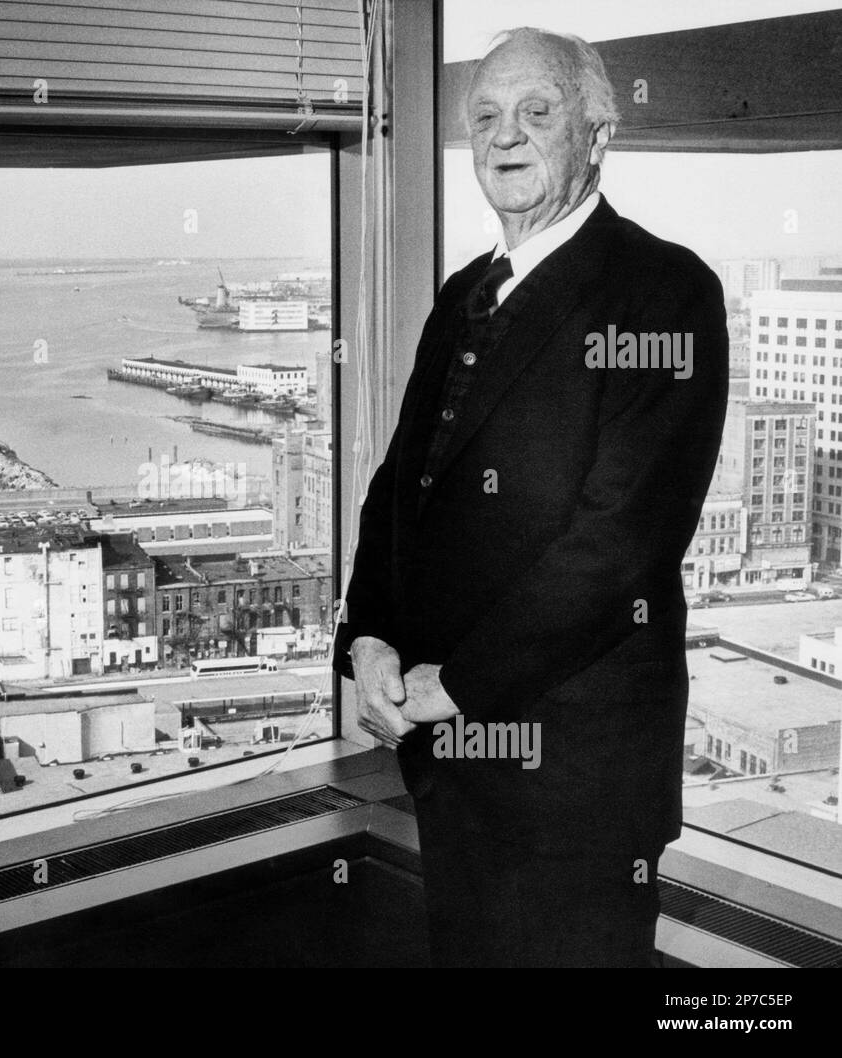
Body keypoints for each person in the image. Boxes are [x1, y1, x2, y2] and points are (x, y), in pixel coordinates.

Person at [333, 27, 728, 967]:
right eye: (486, 117)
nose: (506, 137)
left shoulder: (665, 291)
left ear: (597, 134)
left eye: (537, 114)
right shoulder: (464, 293)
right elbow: (400, 487)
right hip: (451, 768)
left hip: (576, 788)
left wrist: (450, 687)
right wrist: (371, 636)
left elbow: (617, 546)